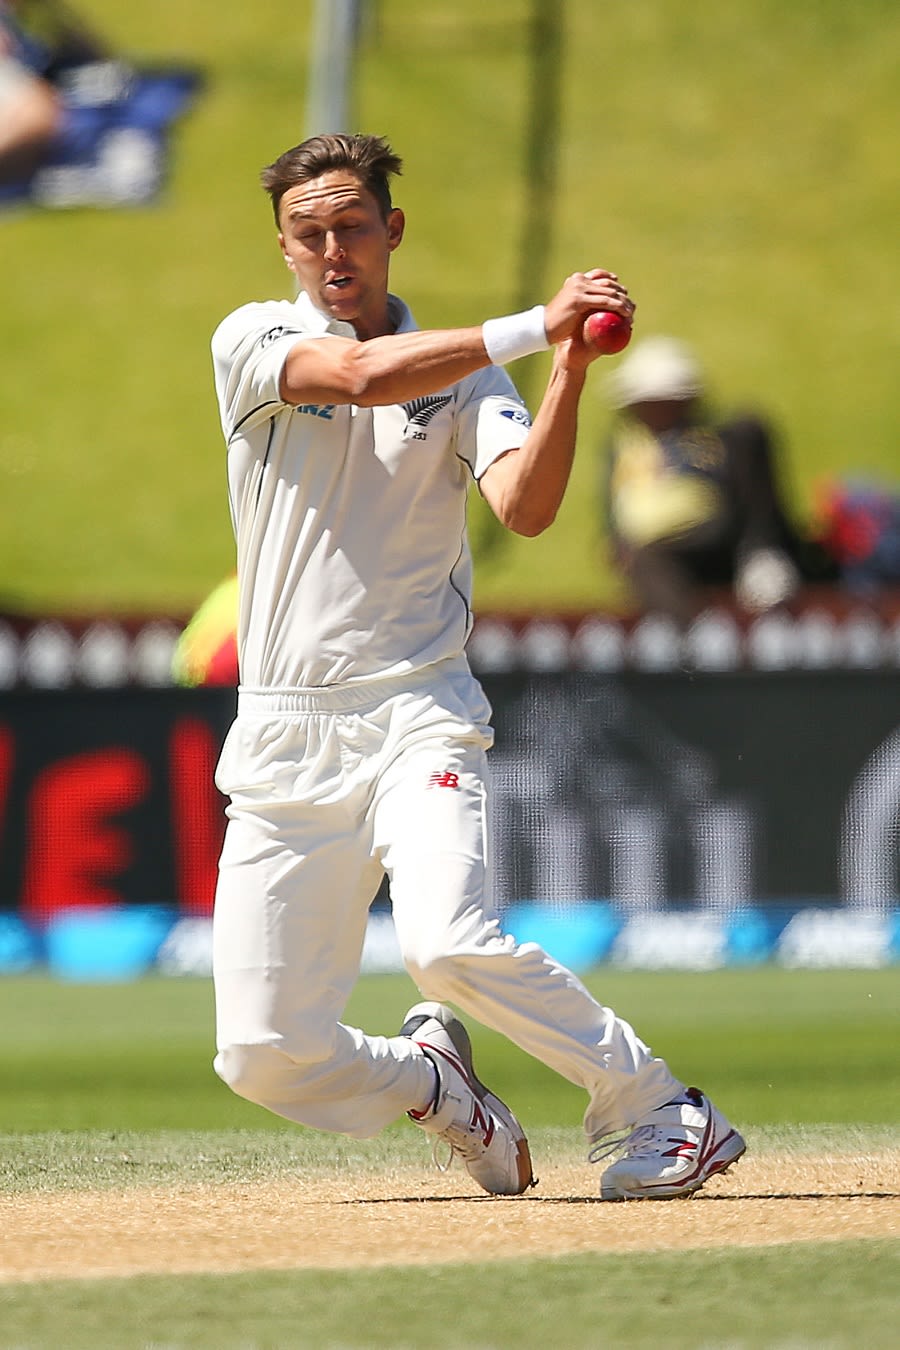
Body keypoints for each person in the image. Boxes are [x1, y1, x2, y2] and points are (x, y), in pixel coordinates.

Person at [209, 132, 746, 1200]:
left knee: (447, 946)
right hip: (282, 728)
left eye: (352, 225)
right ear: (283, 246)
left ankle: (661, 1106)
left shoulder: (466, 375)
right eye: (309, 233)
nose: (332, 250)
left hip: (418, 707)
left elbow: (526, 508)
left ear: (392, 230)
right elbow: (358, 376)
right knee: (261, 1054)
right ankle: (434, 1084)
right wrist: (539, 324)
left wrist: (569, 372)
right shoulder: (254, 338)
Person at [602, 334, 825, 624]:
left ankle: (762, 557)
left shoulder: (717, 439)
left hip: (716, 537)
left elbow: (734, 493)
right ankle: (694, 638)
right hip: (653, 556)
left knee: (749, 430)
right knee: (647, 561)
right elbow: (611, 514)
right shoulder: (622, 447)